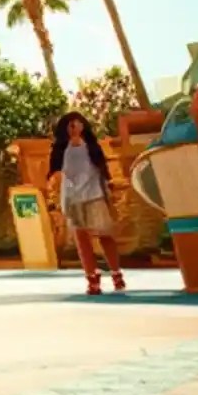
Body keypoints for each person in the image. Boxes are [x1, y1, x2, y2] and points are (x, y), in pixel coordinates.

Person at [49, 112, 125, 295]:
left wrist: (108, 185)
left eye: (77, 123)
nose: (74, 127)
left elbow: (102, 169)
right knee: (82, 240)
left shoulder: (91, 146)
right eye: (70, 124)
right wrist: (65, 187)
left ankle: (116, 274)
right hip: (72, 199)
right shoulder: (60, 149)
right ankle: (92, 279)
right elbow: (56, 175)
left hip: (94, 195)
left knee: (105, 235)